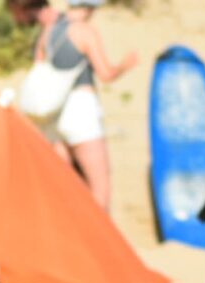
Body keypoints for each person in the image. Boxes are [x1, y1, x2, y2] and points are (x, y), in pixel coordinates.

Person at [32, 0, 137, 210]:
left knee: (68, 187)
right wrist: (126, 64)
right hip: (82, 112)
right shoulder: (85, 31)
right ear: (90, 7)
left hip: (56, 114)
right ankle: (99, 241)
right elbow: (106, 73)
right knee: (100, 188)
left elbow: (39, 67)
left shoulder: (49, 30)